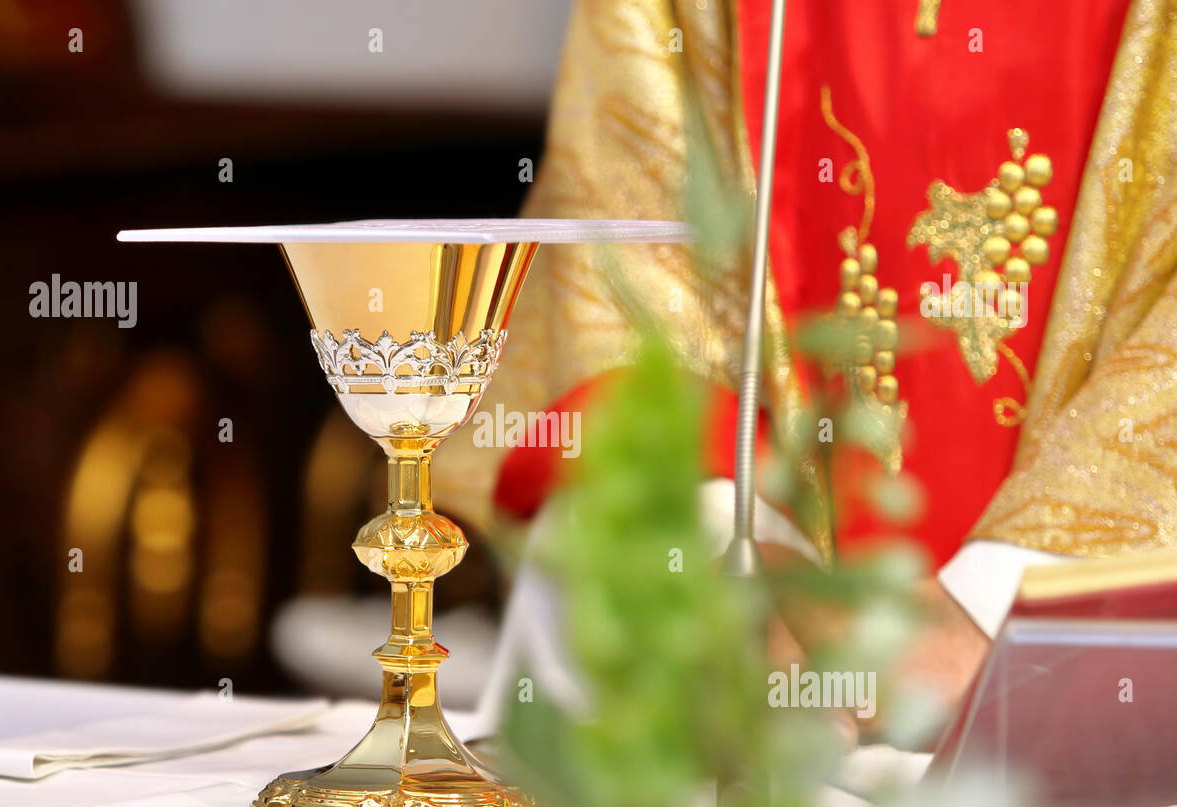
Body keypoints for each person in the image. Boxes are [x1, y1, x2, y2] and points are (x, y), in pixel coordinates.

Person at [439, 0, 1177, 720]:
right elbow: (625, 267)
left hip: (1103, 683)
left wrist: (1000, 600)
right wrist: (722, 544)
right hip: (756, 669)